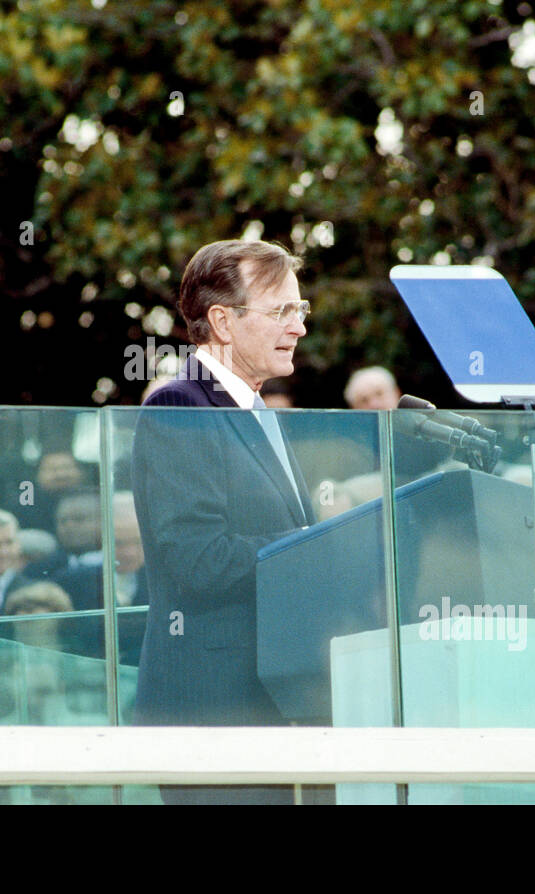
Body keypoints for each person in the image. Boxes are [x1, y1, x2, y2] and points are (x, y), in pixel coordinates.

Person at [131, 238, 315, 804]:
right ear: (222, 322)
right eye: (282, 310)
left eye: (301, 310)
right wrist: (315, 547)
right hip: (214, 715)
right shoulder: (179, 405)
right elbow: (197, 560)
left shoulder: (259, 412)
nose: (300, 327)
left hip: (279, 707)